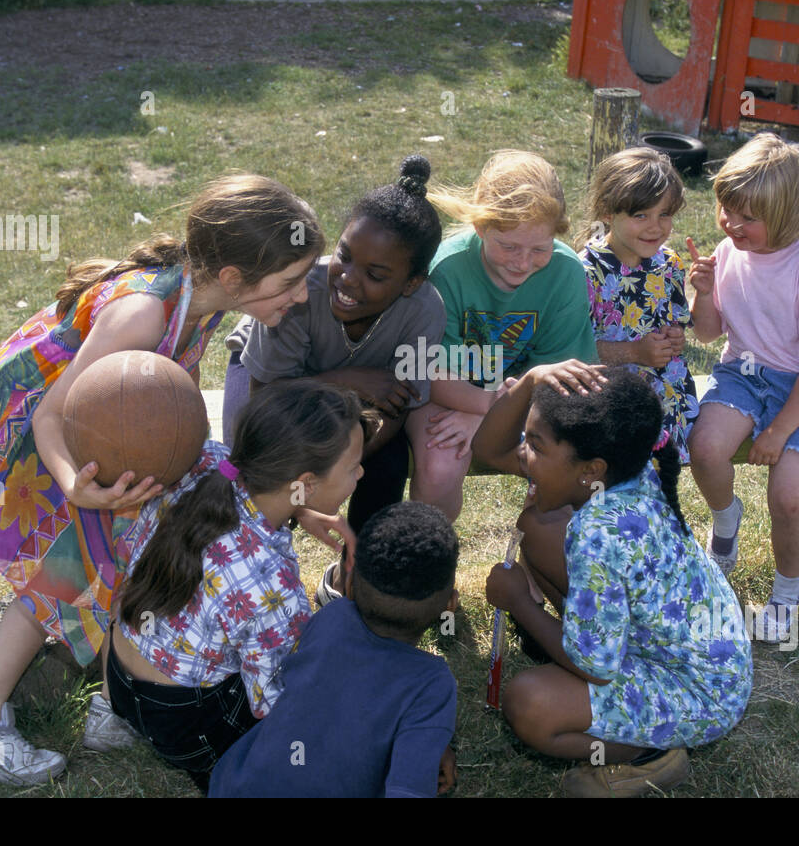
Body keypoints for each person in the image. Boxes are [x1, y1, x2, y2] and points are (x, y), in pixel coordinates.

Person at [0, 173, 343, 785]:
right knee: (66, 569)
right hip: (22, 434)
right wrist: (75, 487)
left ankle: (112, 704)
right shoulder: (142, 314)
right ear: (235, 276)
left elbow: (160, 419)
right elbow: (53, 414)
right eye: (289, 283)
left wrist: (285, 499)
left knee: (130, 537)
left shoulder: (203, 300)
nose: (298, 297)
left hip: (86, 436)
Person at [474, 362, 751, 798]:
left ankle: (646, 755)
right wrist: (530, 380)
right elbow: (488, 450)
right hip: (706, 657)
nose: (524, 455)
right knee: (540, 528)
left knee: (528, 704)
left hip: (700, 694)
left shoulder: (597, 533)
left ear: (590, 470)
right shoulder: (625, 469)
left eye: (537, 447)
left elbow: (596, 669)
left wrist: (520, 604)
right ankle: (590, 645)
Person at [109, 380, 373, 793]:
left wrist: (299, 507)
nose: (362, 473)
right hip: (182, 725)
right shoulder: (271, 584)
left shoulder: (205, 463)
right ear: (305, 479)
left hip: (121, 680)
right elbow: (277, 705)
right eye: (353, 465)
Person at [222, 156, 445, 595]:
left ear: (411, 283)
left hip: (349, 411)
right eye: (344, 255)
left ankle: (354, 578)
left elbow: (398, 411)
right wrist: (348, 379)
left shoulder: (425, 311)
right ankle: (243, 580)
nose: (349, 278)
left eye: (376, 274)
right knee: (255, 463)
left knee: (387, 463)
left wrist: (351, 458)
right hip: (264, 381)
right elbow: (266, 398)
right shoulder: (303, 290)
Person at [686, 132, 799, 643]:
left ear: (786, 215)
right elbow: (709, 335)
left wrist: (778, 431)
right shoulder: (729, 252)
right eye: (726, 209)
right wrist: (705, 294)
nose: (732, 224)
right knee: (704, 449)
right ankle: (725, 521)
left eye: (747, 217)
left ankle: (784, 597)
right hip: (743, 372)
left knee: (789, 496)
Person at [209, 501, 458, 798]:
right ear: (449, 606)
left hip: (235, 784)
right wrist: (424, 744)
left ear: (349, 586)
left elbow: (328, 703)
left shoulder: (333, 617)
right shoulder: (433, 683)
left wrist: (425, 739)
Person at [411, 150, 598, 522]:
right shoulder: (446, 270)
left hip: (528, 402)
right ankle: (430, 562)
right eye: (509, 246)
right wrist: (490, 410)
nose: (523, 262)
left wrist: (494, 418)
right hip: (451, 392)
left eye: (539, 248)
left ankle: (547, 567)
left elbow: (563, 381)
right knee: (439, 466)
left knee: (575, 463)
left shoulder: (565, 273)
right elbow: (426, 372)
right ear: (480, 228)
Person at [579, 146, 697, 469]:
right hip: (606, 397)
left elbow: (677, 325)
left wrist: (675, 340)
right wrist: (635, 353)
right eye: (640, 215)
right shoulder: (587, 274)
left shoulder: (669, 263)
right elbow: (575, 351)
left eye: (665, 215)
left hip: (662, 398)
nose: (655, 227)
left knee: (655, 483)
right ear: (607, 212)